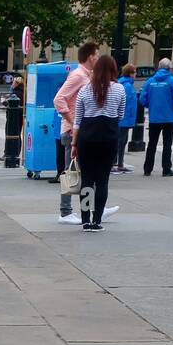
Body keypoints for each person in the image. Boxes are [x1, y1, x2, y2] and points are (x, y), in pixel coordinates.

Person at [71, 54, 125, 231]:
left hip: (87, 136)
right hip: (108, 136)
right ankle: (97, 220)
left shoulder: (85, 90)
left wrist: (74, 144)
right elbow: (120, 115)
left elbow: (77, 120)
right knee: (103, 180)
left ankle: (85, 219)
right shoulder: (119, 89)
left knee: (87, 180)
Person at [54, 42, 99, 223]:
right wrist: (74, 123)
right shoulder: (79, 76)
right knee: (72, 173)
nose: (98, 58)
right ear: (90, 57)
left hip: (75, 131)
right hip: (72, 132)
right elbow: (59, 99)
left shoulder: (84, 75)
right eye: (96, 55)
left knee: (82, 172)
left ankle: (93, 208)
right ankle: (65, 212)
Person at [139, 58, 173, 177]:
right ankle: (166, 169)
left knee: (152, 144)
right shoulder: (172, 81)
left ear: (159, 67)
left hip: (154, 117)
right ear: (169, 68)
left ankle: (147, 168)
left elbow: (142, 98)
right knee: (167, 144)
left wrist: (150, 105)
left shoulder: (150, 81)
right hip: (169, 117)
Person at [112, 63, 137, 174]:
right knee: (120, 142)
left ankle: (118, 163)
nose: (136, 74)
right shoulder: (126, 86)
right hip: (124, 119)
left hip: (124, 119)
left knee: (122, 142)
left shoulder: (125, 84)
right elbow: (127, 104)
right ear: (130, 73)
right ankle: (116, 164)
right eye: (134, 72)